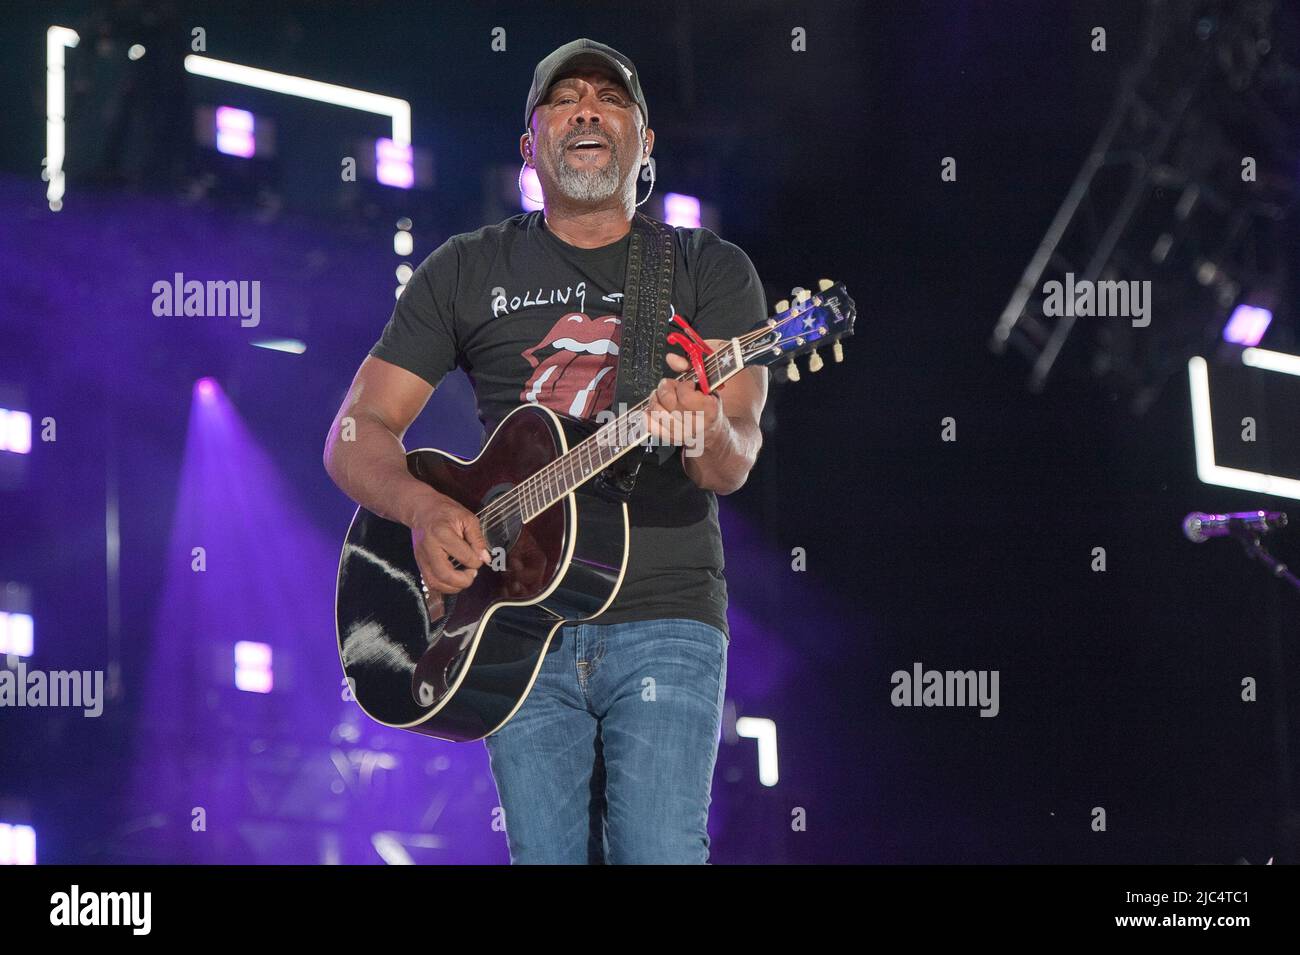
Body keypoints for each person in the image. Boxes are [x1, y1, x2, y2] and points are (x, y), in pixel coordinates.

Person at [323, 38, 768, 864]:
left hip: (665, 610)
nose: (589, 108)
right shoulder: (467, 267)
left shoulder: (709, 268)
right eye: (565, 99)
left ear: (645, 143)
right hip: (513, 621)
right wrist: (424, 508)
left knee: (662, 850)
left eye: (611, 97)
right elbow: (356, 432)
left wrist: (701, 424)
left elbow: (731, 459)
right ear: (530, 146)